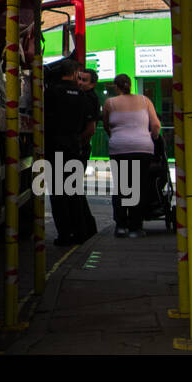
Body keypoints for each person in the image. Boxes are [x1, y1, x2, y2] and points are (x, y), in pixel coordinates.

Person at [44, 59, 98, 245]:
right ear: (75, 74)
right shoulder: (82, 96)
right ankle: (81, 231)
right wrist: (78, 143)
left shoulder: (51, 92)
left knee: (58, 194)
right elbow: (90, 127)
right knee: (74, 191)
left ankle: (64, 234)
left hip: (54, 147)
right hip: (74, 148)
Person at [101, 74, 160, 238]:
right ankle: (136, 226)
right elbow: (155, 125)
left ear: (116, 86)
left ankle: (121, 226)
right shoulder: (144, 101)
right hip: (142, 148)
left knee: (121, 186)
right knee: (138, 187)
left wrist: (115, 137)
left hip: (119, 148)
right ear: (130, 85)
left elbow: (106, 125)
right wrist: (151, 138)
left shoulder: (110, 103)